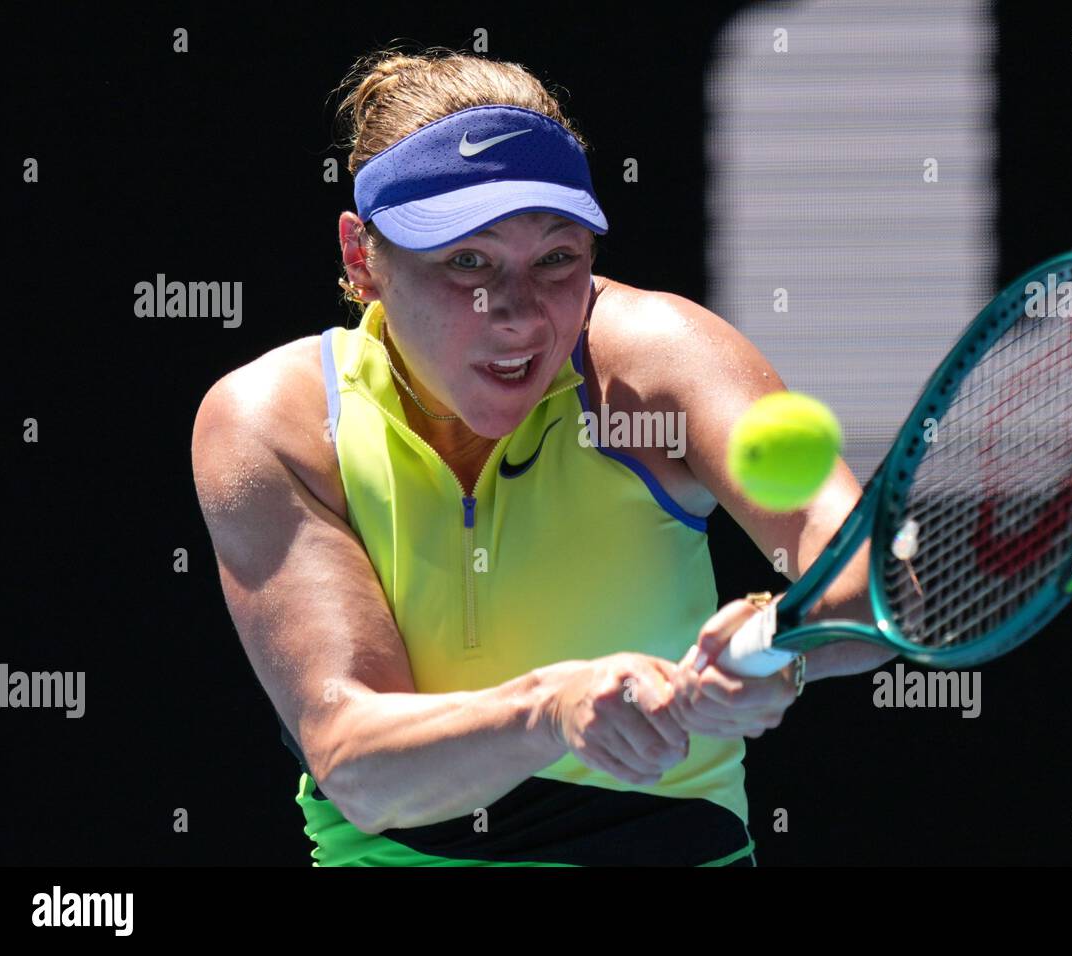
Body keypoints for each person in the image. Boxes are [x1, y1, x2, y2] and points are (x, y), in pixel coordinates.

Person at [191, 47, 895, 867]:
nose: (520, 315)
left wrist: (781, 644)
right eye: (467, 262)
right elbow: (358, 765)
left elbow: (875, 581)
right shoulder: (275, 418)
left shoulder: (655, 359)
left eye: (557, 258)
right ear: (362, 257)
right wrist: (552, 708)